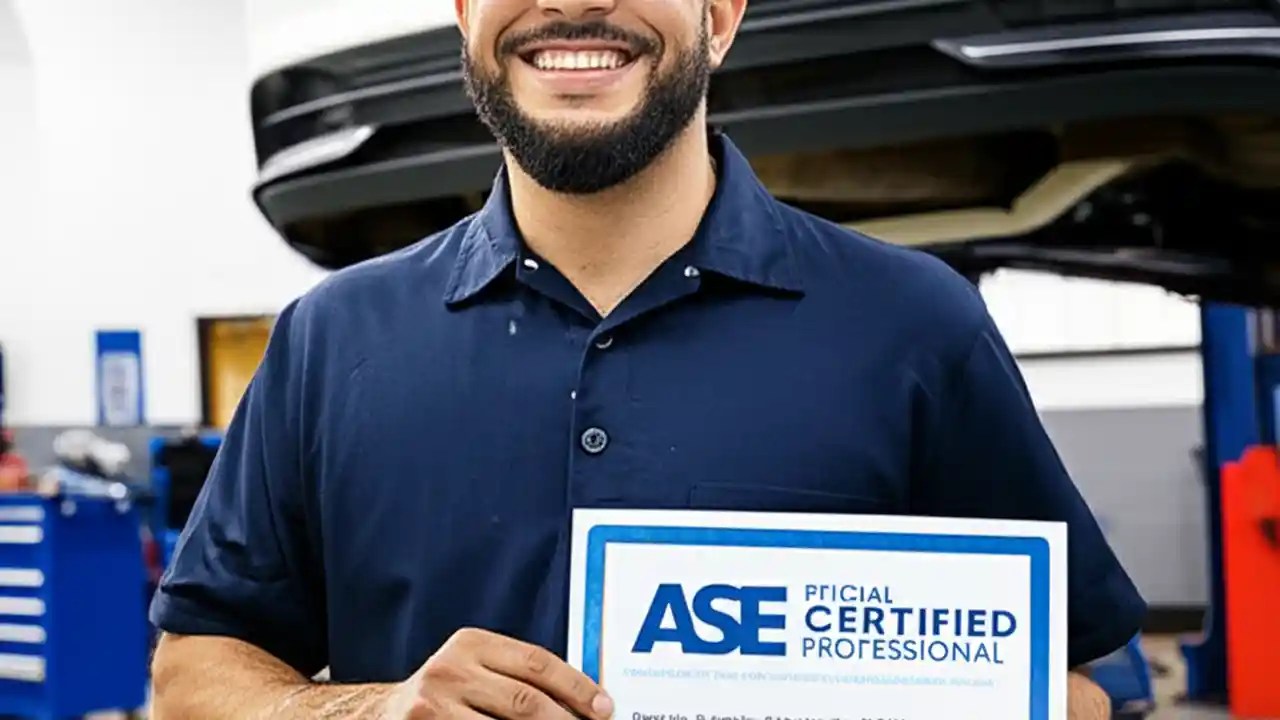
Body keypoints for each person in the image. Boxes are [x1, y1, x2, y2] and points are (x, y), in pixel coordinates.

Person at [148, 0, 1145, 717]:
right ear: (461, 13)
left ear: (719, 16)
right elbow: (193, 672)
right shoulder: (332, 340)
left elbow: (1079, 685)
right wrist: (373, 713)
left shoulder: (915, 327)